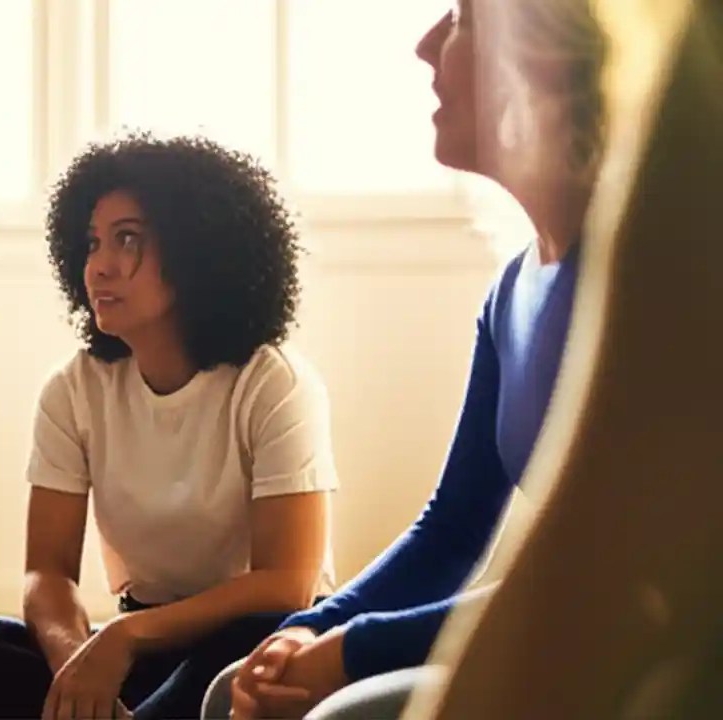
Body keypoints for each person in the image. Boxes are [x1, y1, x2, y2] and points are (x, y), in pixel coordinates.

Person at [209, 0, 608, 718]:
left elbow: (591, 571)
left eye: (459, 19)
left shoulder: (639, 283)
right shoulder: (511, 292)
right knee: (229, 689)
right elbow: (450, 533)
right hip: (556, 635)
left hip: (632, 663)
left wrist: (357, 648)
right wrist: (311, 627)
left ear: (539, 54)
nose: (426, 46)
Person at [0, 133, 339, 720]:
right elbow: (48, 571)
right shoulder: (73, 390)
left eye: (128, 239)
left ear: (196, 253)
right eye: (91, 243)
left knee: (247, 646)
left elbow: (286, 584)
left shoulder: (273, 384)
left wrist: (123, 639)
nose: (98, 266)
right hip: (145, 644)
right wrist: (75, 667)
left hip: (254, 641)